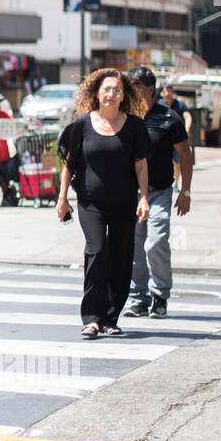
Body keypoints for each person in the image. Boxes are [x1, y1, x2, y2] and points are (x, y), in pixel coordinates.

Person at [56, 69, 151, 339]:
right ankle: (91, 318)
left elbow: (141, 165)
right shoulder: (82, 124)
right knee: (97, 251)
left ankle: (110, 319)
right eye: (106, 89)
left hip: (124, 202)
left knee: (121, 258)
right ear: (96, 93)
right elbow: (68, 164)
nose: (111, 94)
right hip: (90, 202)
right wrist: (62, 199)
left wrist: (144, 197)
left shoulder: (134, 126)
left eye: (117, 90)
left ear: (124, 95)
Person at [124, 67, 193, 319]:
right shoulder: (125, 116)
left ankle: (160, 295)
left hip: (160, 191)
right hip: (131, 193)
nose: (130, 90)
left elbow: (186, 155)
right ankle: (138, 297)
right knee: (133, 246)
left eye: (135, 85)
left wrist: (185, 190)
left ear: (150, 89)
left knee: (155, 242)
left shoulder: (169, 118)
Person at [161, 83, 194, 189]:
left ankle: (175, 182)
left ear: (172, 92)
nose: (166, 94)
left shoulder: (180, 105)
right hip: (163, 138)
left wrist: (186, 130)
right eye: (164, 92)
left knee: (177, 161)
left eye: (168, 92)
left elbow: (187, 117)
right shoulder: (159, 105)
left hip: (176, 138)